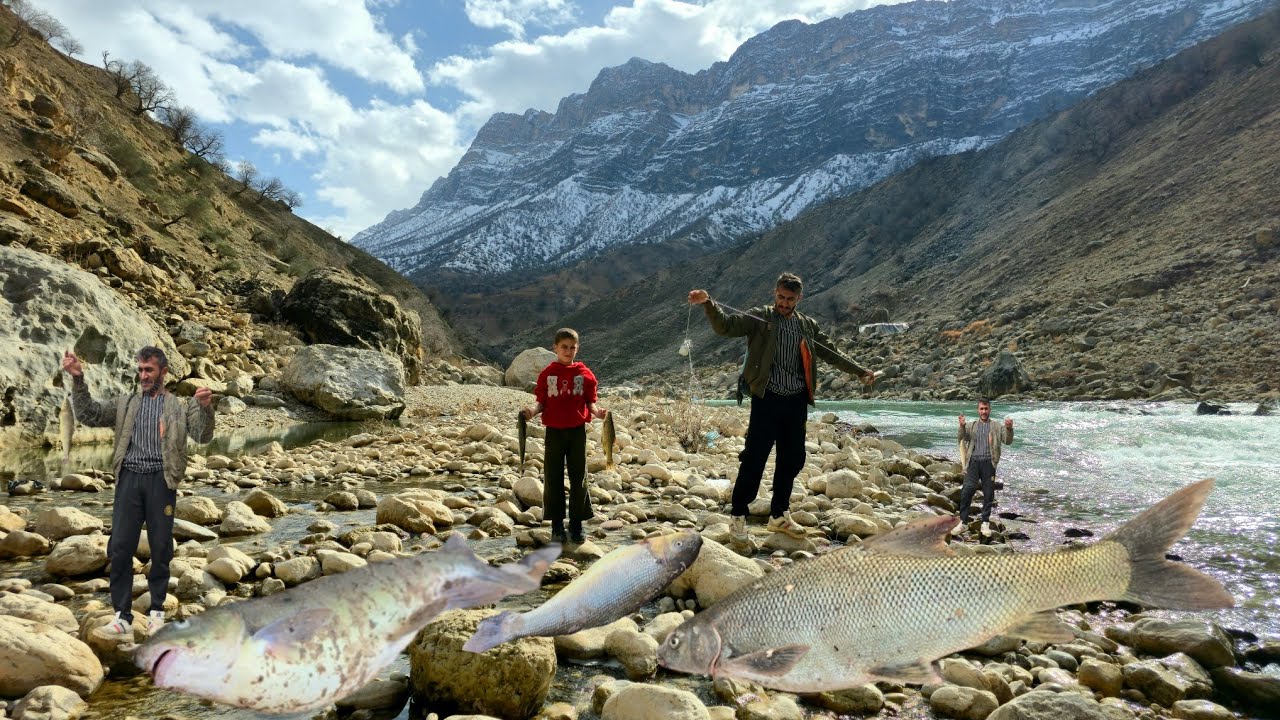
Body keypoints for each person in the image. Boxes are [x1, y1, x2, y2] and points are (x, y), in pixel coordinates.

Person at [689, 273, 878, 542]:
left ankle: (779, 515)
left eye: (789, 299)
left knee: (793, 460)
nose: (784, 303)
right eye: (780, 297)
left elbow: (832, 353)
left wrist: (860, 372)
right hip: (766, 400)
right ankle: (738, 516)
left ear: (799, 298)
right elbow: (726, 326)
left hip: (796, 402)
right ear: (774, 293)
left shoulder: (807, 326)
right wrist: (708, 303)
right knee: (754, 458)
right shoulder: (760, 317)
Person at [62, 346, 215, 636]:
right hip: (129, 480)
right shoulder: (125, 403)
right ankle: (122, 616)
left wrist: (206, 409)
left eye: (149, 370)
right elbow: (89, 414)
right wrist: (78, 378)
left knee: (160, 548)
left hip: (161, 482)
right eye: (141, 370)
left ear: (164, 373)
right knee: (119, 549)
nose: (143, 375)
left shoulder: (179, 407)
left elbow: (202, 435)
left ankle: (156, 611)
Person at [523, 328, 605, 544]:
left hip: (577, 431)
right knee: (553, 477)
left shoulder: (585, 374)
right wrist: (531, 412)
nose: (568, 351)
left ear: (577, 348)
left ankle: (577, 524)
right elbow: (542, 402)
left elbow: (590, 401)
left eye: (572, 347)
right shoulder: (547, 374)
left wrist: (598, 413)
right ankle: (557, 525)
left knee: (579, 477)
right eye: (564, 347)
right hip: (554, 432)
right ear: (555, 348)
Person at [956, 399, 1014, 537]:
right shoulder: (971, 426)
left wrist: (1009, 428)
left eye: (986, 409)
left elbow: (1008, 441)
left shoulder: (997, 426)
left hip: (989, 463)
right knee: (966, 491)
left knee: (988, 494)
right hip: (973, 463)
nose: (984, 411)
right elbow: (960, 438)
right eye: (981, 409)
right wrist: (962, 426)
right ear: (978, 410)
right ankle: (963, 522)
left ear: (990, 410)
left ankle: (985, 523)